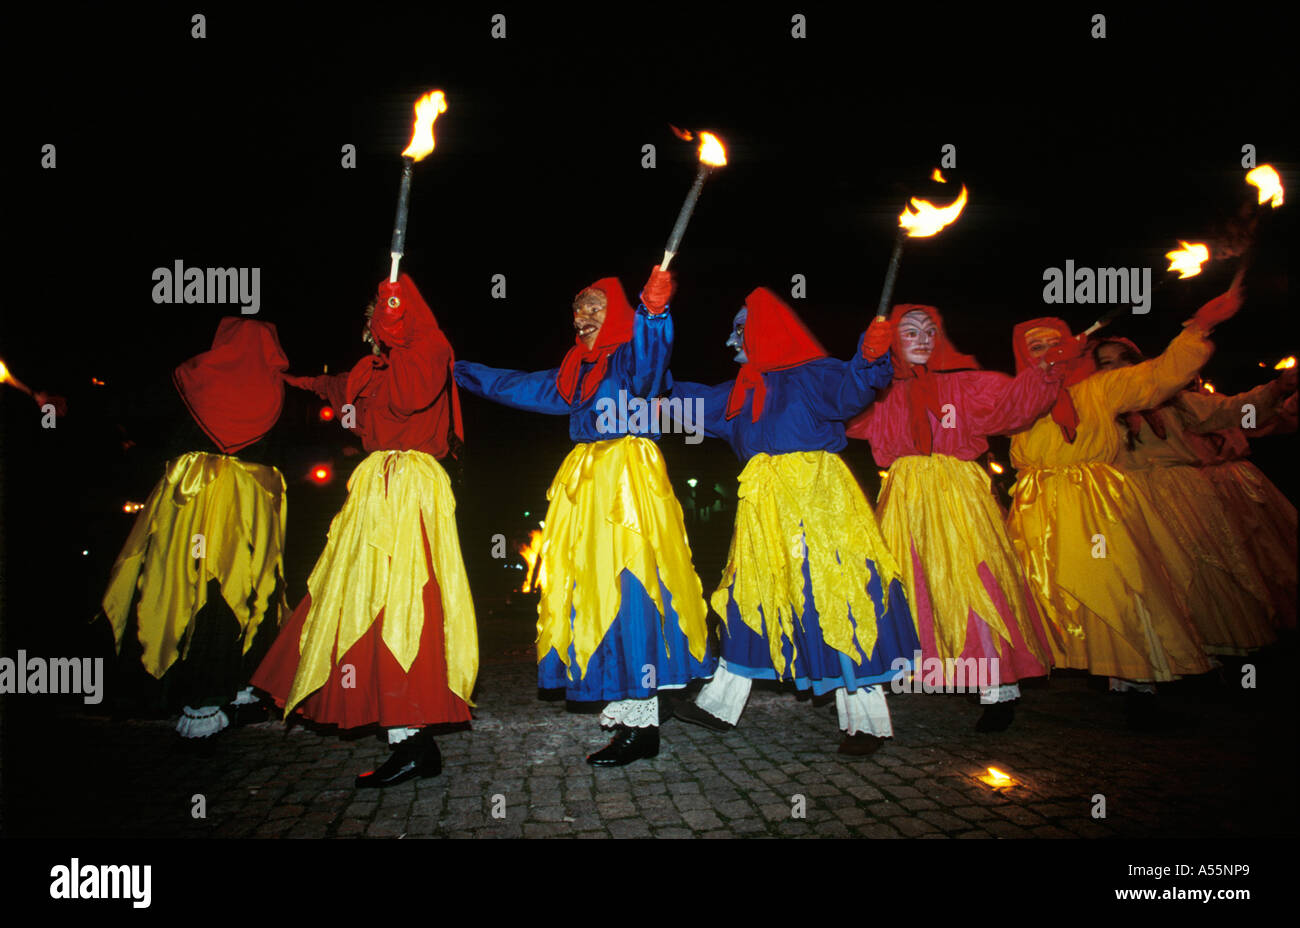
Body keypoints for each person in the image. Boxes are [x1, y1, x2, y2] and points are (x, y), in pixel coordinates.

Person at [454, 267, 714, 767]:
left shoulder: (630, 359)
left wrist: (654, 314)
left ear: (616, 313)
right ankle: (631, 713)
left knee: (633, 588)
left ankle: (643, 725)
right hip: (587, 481)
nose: (583, 316)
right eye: (578, 308)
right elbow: (522, 387)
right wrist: (459, 371)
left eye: (596, 306)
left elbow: (651, 362)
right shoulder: (578, 369)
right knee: (594, 591)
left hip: (629, 482)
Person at [251, 274, 477, 788]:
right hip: (373, 490)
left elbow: (409, 396)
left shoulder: (428, 349)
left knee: (404, 604)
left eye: (387, 312)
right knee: (353, 600)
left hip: (411, 488)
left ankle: (414, 737)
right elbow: (338, 388)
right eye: (373, 313)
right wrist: (291, 381)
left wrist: (397, 319)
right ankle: (409, 740)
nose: (376, 322)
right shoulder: (370, 366)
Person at [669, 290, 918, 755]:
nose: (730, 339)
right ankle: (718, 705)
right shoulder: (740, 390)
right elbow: (684, 401)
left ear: (766, 331)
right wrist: (648, 366)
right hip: (763, 514)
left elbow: (853, 389)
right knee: (749, 596)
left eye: (740, 328)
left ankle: (866, 722)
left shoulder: (815, 375)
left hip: (819, 507)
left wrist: (870, 355)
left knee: (836, 600)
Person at [1004, 287, 1242, 728]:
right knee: (1028, 589)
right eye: (1032, 348)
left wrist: (1198, 328)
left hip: (1096, 501)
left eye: (1051, 344)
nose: (1043, 353)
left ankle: (1137, 685)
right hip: (1038, 502)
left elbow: (1158, 376)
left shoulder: (1102, 387)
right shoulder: (1015, 394)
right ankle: (1004, 691)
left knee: (1119, 584)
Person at [846, 304, 1060, 731]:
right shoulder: (881, 389)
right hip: (904, 493)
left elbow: (1018, 405)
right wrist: (863, 364)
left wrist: (1045, 369)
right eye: (910, 331)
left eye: (931, 330)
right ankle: (910, 669)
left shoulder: (969, 383)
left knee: (974, 582)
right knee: (904, 581)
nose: (923, 338)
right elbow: (840, 410)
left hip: (960, 493)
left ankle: (996, 688)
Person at [102, 317, 289, 739]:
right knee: (246, 593)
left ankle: (203, 694)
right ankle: (230, 690)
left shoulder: (190, 376)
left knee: (178, 589)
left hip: (189, 504)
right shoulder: (276, 386)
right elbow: (291, 448)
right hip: (248, 507)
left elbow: (140, 411)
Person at [1094, 337, 1292, 652]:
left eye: (1123, 360)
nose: (1118, 369)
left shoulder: (1173, 401)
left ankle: (1218, 648)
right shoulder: (1095, 406)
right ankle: (1168, 653)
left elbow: (1231, 411)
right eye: (1106, 363)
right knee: (1150, 576)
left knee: (1205, 568)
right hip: (1129, 498)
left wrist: (1276, 389)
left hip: (1184, 493)